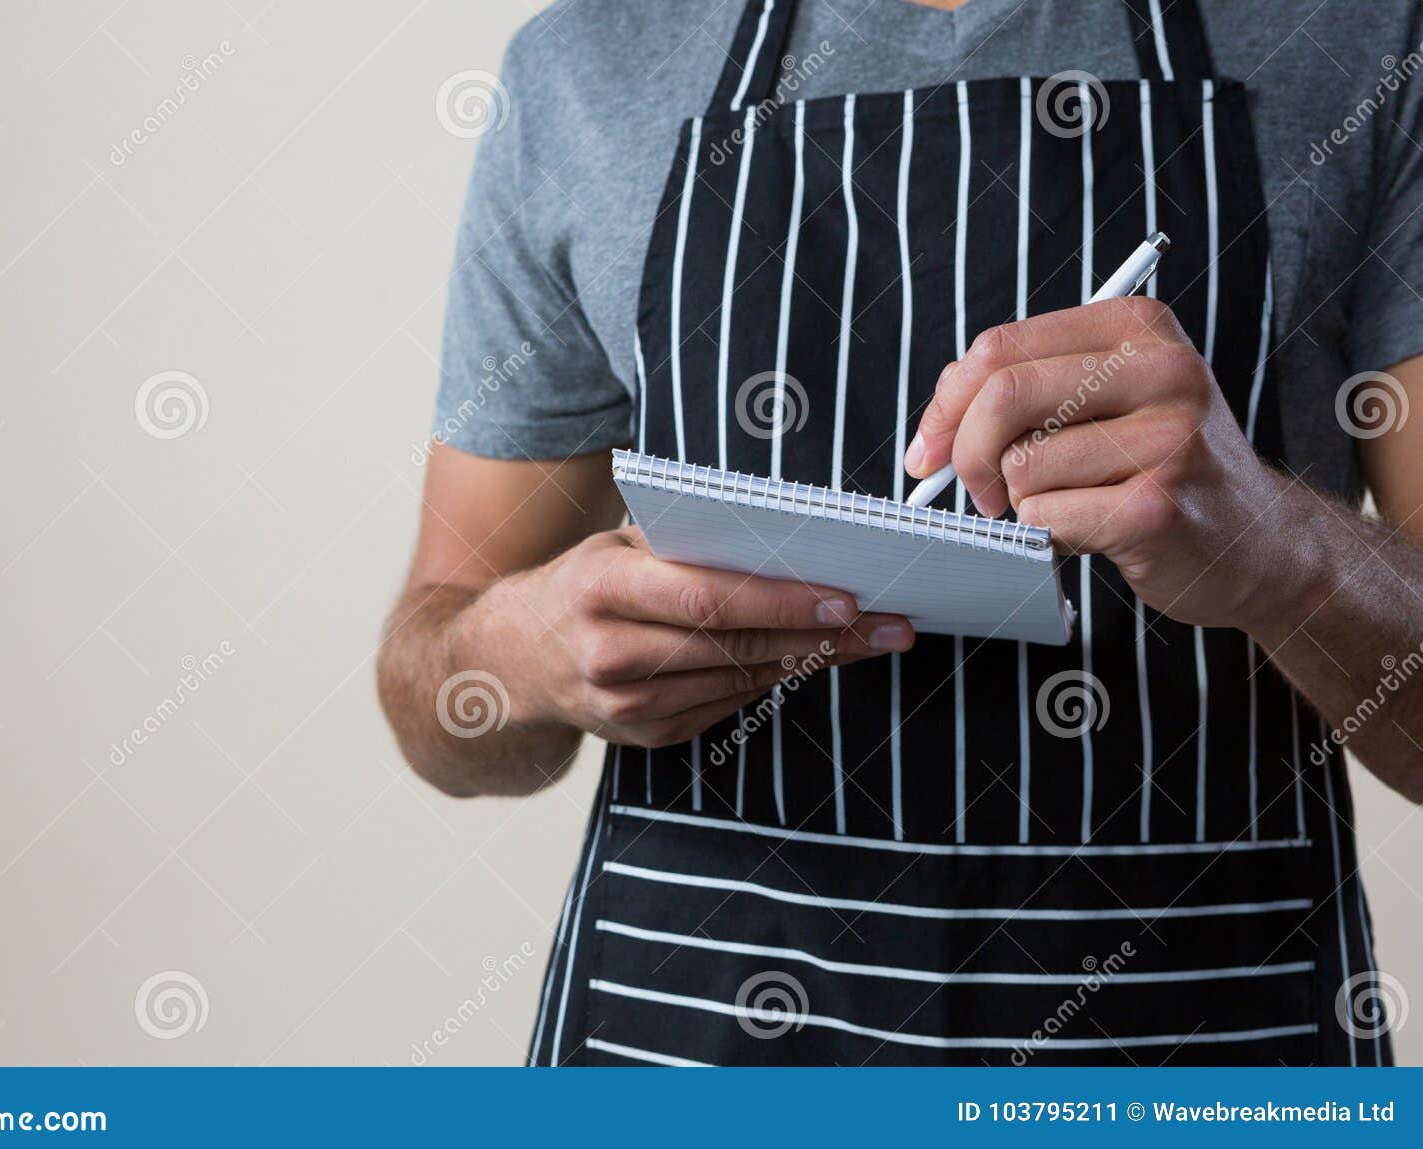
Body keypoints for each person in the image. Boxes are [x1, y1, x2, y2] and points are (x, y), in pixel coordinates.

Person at [379, 0, 1423, 1066]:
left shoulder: (1360, 40)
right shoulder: (584, 69)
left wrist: (1285, 559)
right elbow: (432, 696)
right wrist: (525, 652)